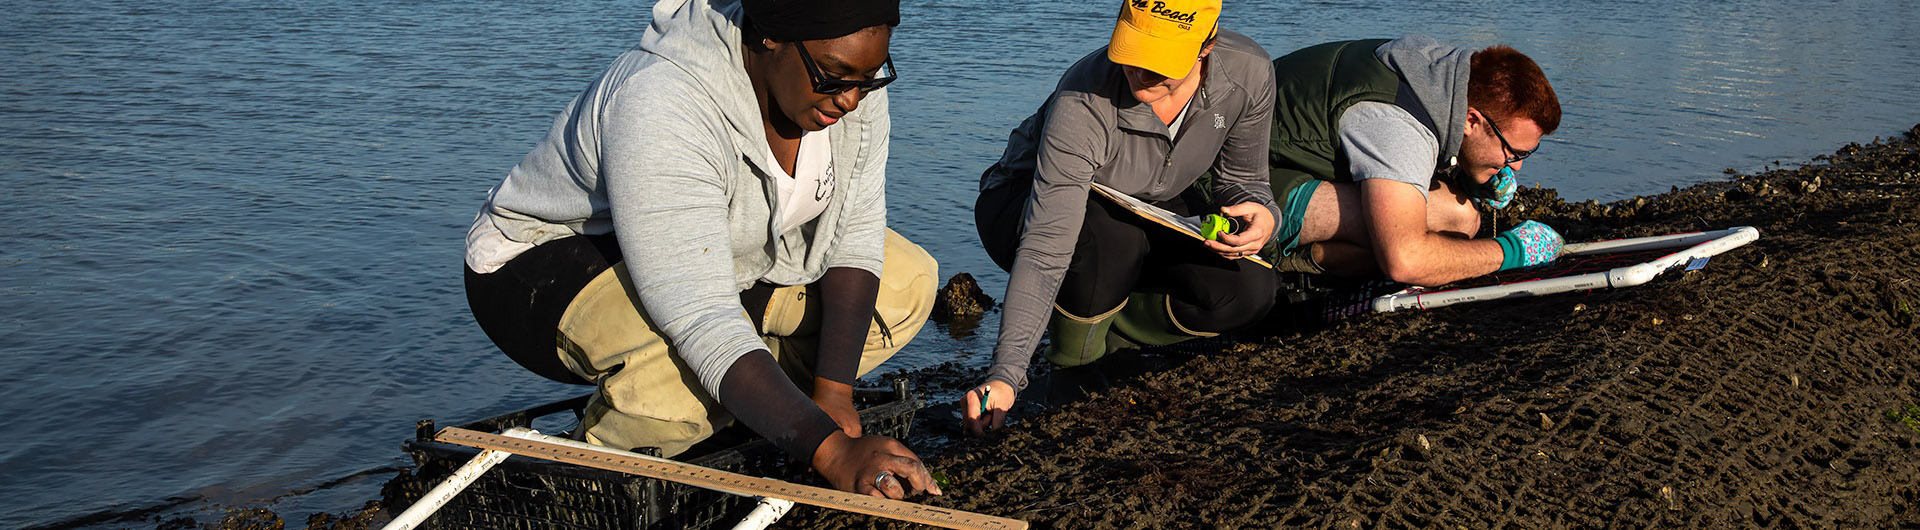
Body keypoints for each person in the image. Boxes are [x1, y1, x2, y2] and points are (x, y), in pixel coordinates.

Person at [461, 0, 941, 499]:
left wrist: (833, 395)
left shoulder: (851, 88)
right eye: (836, 78)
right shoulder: (661, 99)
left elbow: (855, 237)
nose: (851, 100)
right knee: (677, 393)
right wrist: (833, 453)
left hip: (733, 260)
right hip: (547, 266)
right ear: (770, 35)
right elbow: (700, 314)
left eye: (870, 77)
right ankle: (583, 480)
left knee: (907, 284)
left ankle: (748, 400)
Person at [962, 0, 1278, 435]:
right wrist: (1006, 374)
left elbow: (1242, 181)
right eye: (1131, 51)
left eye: (1159, 60)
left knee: (1250, 288)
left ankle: (1114, 337)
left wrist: (1264, 214)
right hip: (1022, 204)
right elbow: (1044, 247)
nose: (1139, 71)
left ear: (1206, 46)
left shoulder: (1250, 72)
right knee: (1111, 240)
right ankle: (1073, 363)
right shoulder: (1083, 99)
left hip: (1150, 206)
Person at [1258, 36, 1566, 286]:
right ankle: (1285, 260)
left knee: (1460, 217)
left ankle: (1316, 254)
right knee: (1446, 220)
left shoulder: (1442, 76)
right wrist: (1511, 252)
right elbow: (1406, 261)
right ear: (1472, 120)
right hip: (1244, 185)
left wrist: (1467, 176)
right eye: (1513, 152)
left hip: (1288, 161)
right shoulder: (1399, 128)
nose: (1516, 166)